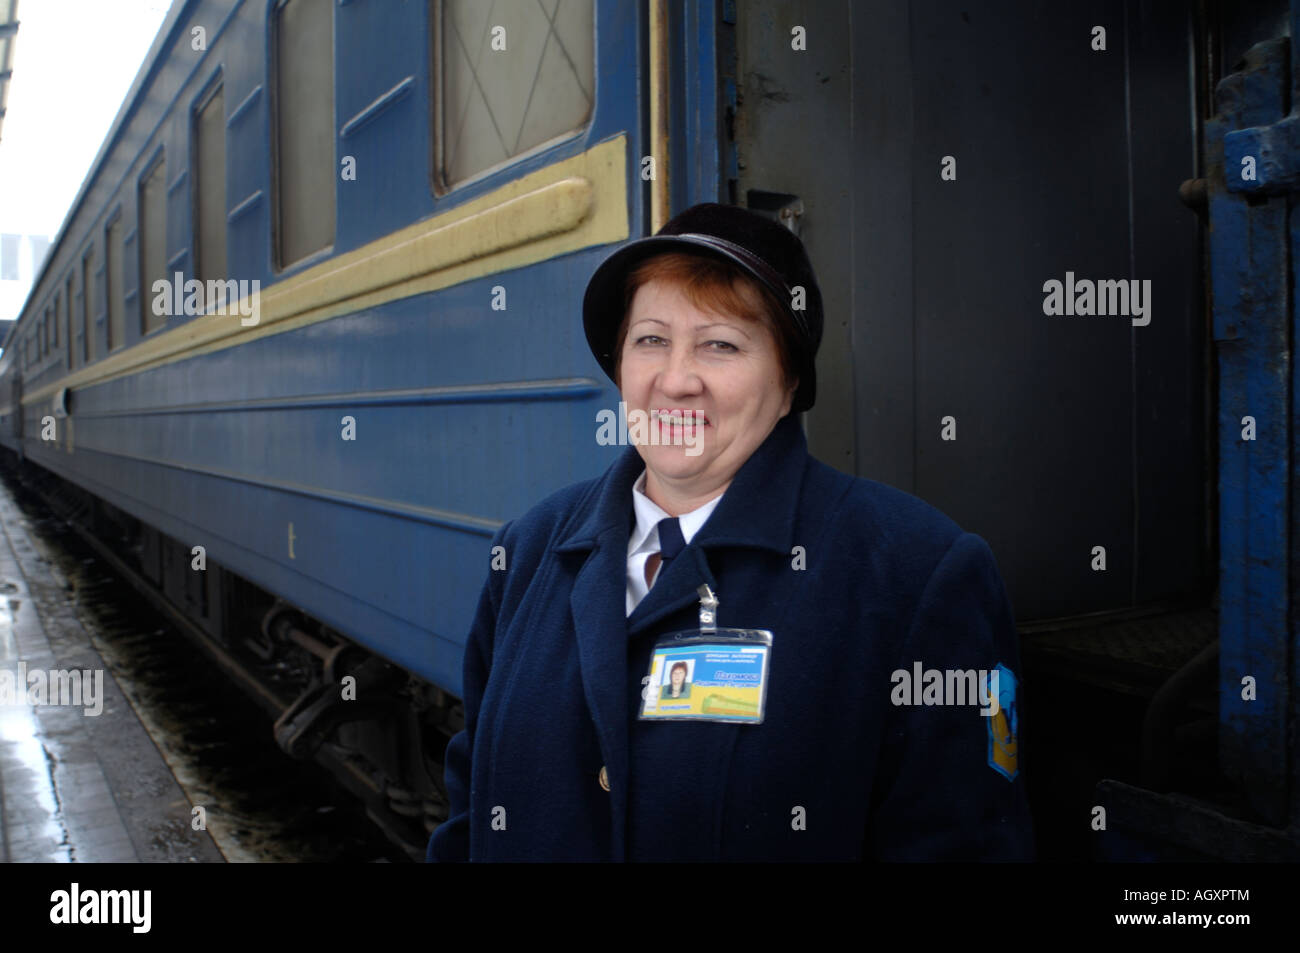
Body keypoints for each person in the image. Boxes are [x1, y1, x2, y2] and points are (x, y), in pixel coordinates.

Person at [427, 203, 1034, 862]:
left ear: (789, 379)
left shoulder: (915, 574)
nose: (676, 380)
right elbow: (471, 816)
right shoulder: (528, 549)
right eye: (650, 339)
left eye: (721, 344)